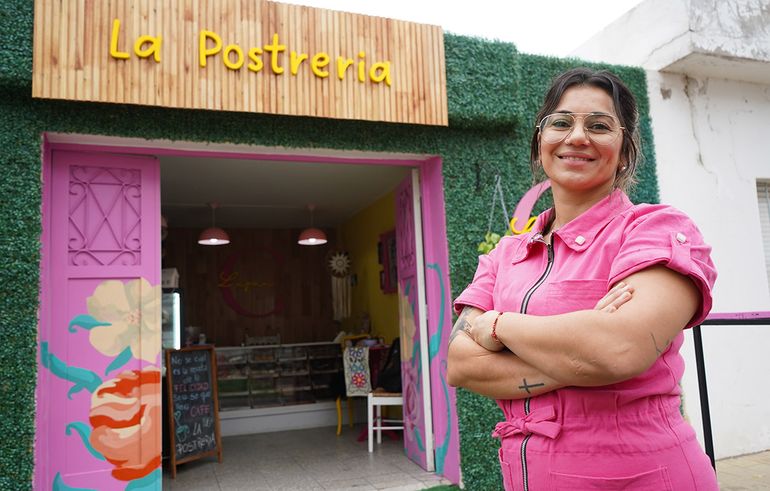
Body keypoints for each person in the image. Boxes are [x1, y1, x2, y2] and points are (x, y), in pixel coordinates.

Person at [448, 67, 718, 490]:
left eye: (599, 126)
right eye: (561, 122)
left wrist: (497, 325)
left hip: (644, 475)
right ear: (540, 142)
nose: (577, 137)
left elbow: (620, 349)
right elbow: (460, 364)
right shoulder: (505, 255)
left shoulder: (655, 230)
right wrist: (584, 353)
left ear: (625, 150)